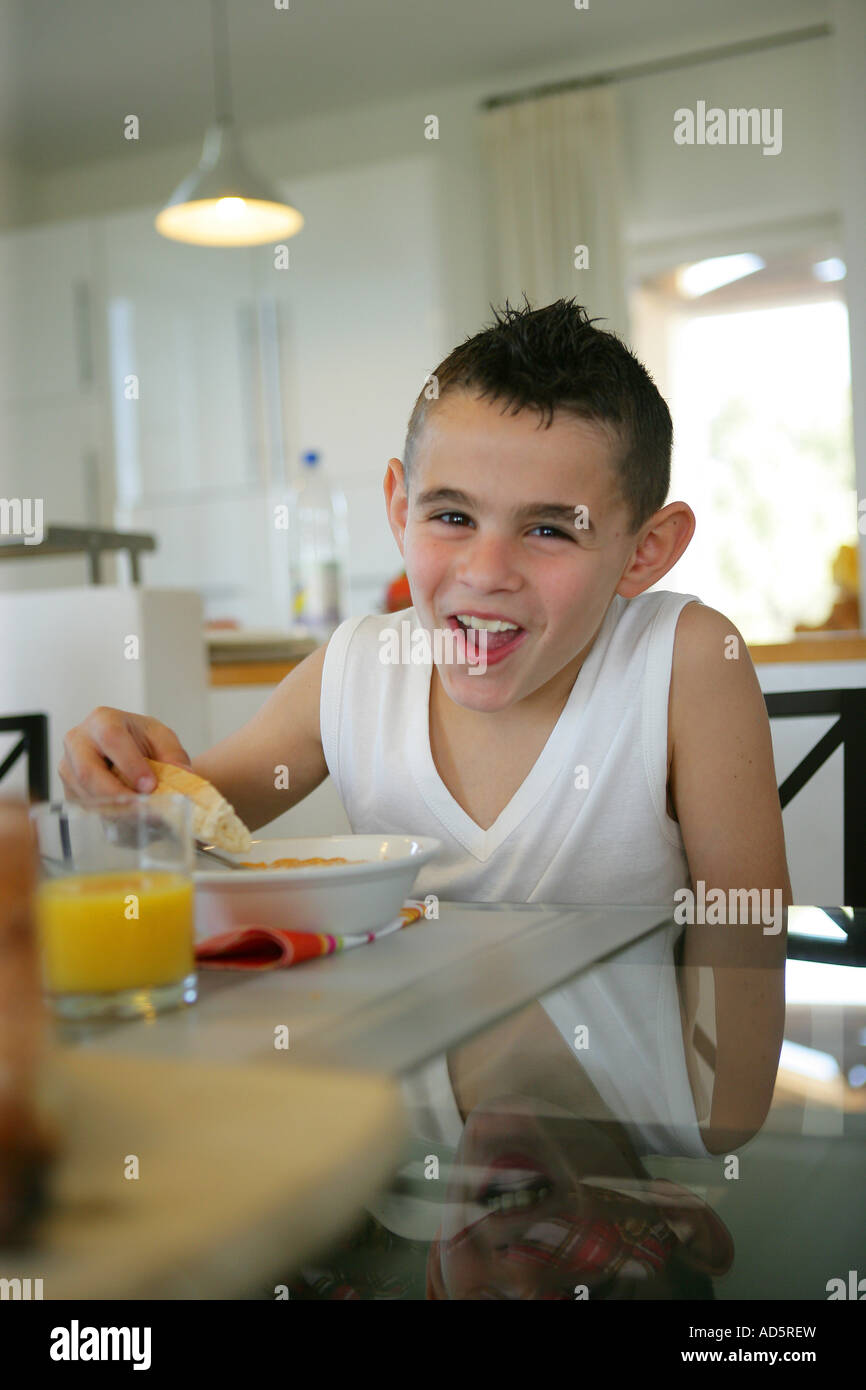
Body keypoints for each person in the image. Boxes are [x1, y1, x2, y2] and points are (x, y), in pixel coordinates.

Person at [60, 296, 791, 918]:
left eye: (547, 530)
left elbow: (748, 947)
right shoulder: (355, 672)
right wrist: (116, 779)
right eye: (452, 518)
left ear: (645, 551)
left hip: (630, 1090)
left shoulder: (686, 662)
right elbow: (175, 831)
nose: (487, 572)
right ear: (399, 508)